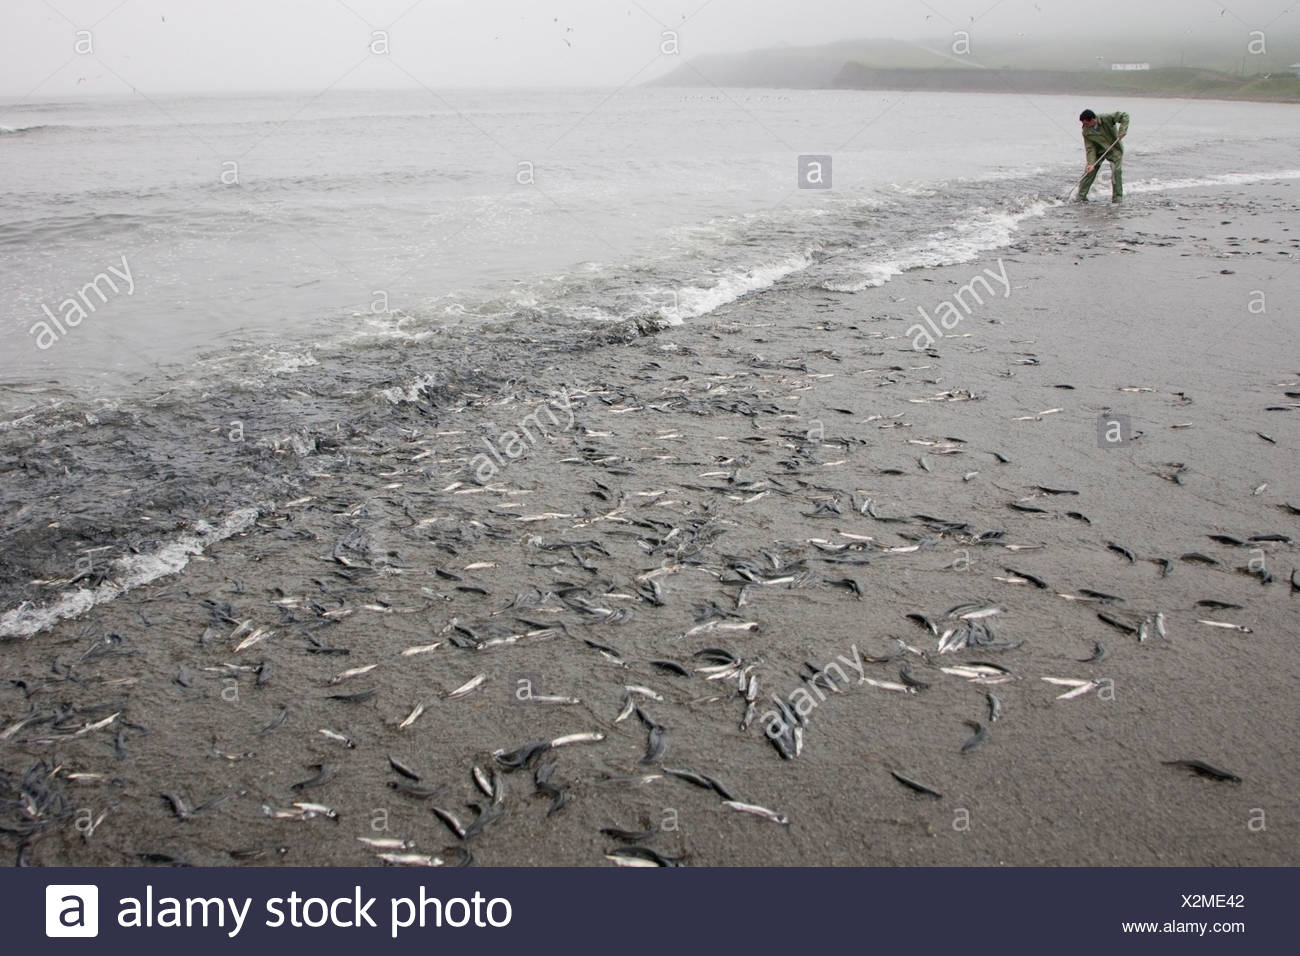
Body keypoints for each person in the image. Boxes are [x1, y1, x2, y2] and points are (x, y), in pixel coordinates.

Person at [1077, 108, 1129, 202]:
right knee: (1089, 172)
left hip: (1114, 149)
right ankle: (1080, 197)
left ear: (1093, 119)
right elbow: (1090, 148)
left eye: (1086, 123)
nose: (1084, 126)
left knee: (1116, 172)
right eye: (1083, 124)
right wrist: (1091, 163)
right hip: (1098, 151)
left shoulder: (1106, 118)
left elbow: (1124, 116)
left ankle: (1117, 199)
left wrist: (1122, 130)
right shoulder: (1086, 131)